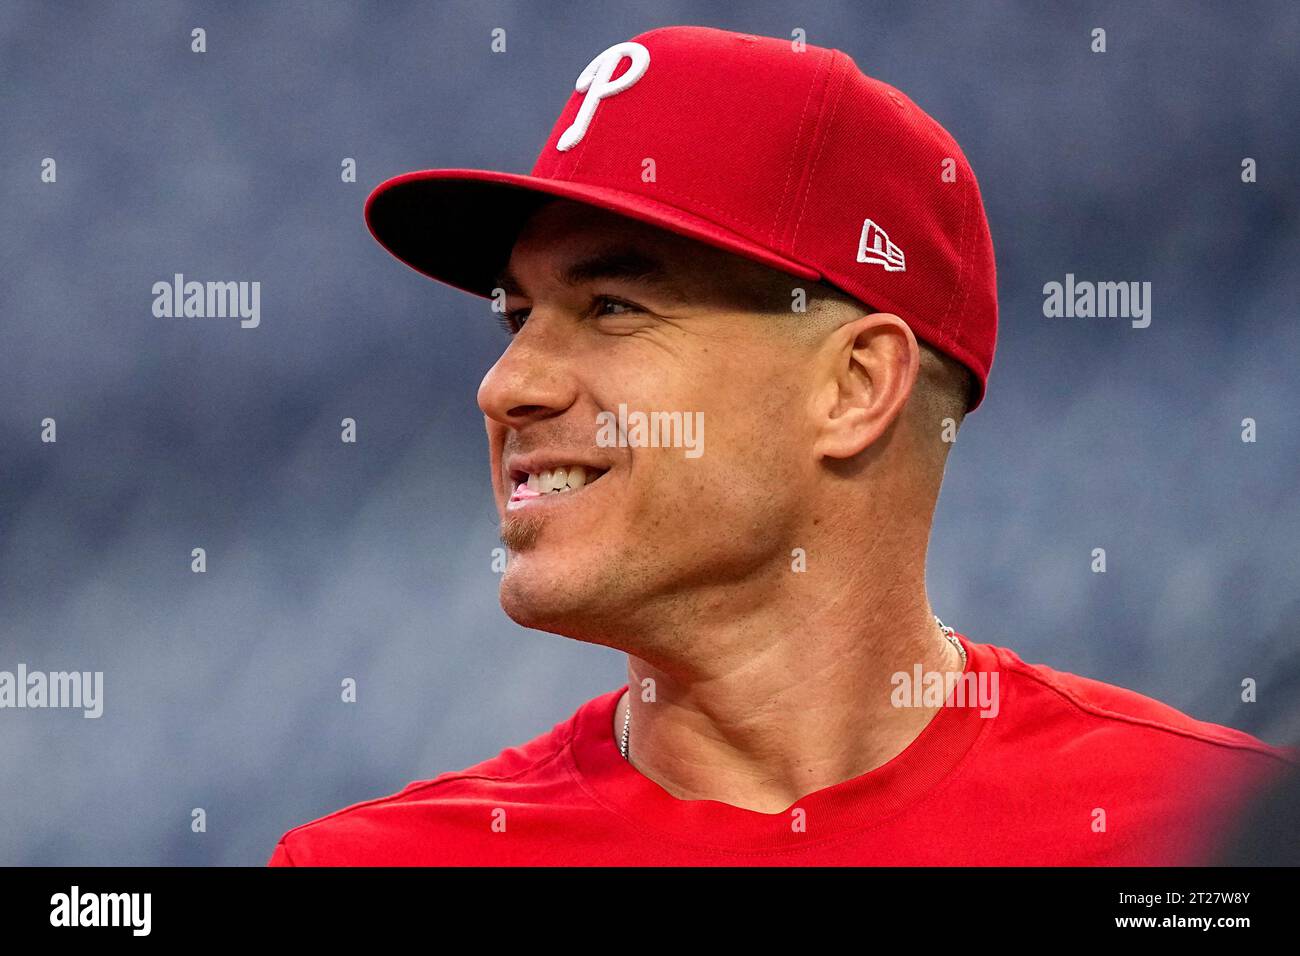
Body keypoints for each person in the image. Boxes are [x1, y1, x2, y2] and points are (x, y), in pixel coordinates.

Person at [269, 25, 1294, 865]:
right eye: (518, 316)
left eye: (614, 305)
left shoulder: (1210, 833)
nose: (507, 385)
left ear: (853, 386)